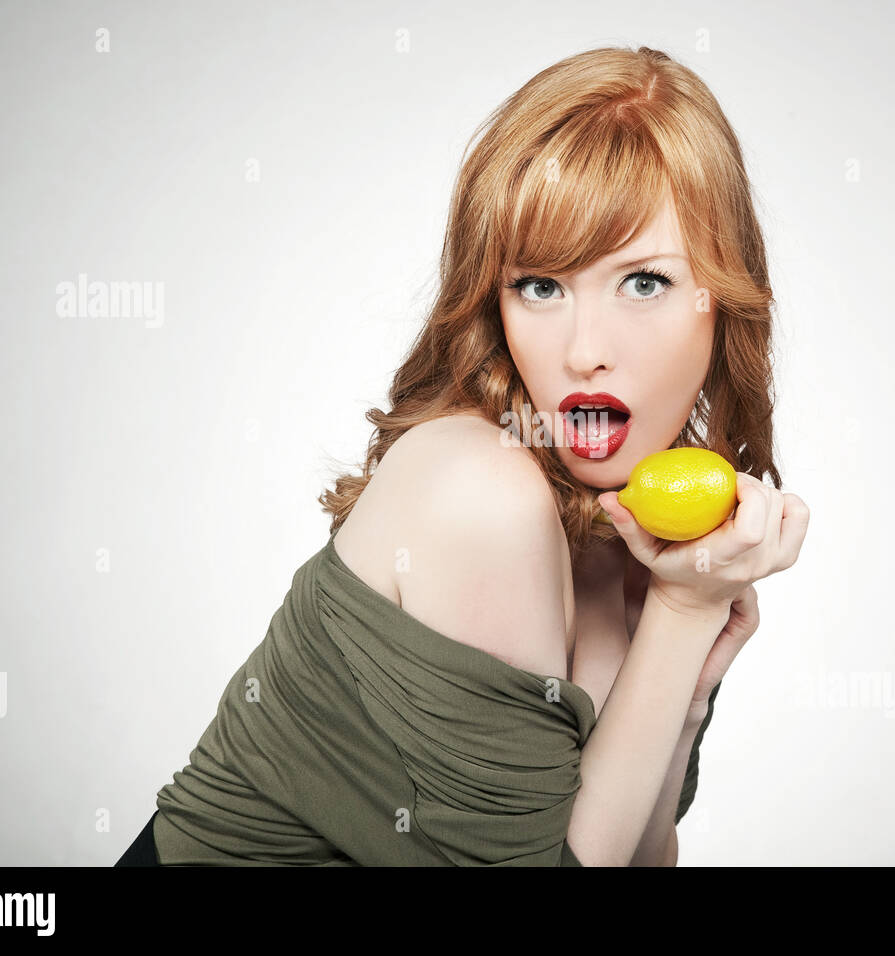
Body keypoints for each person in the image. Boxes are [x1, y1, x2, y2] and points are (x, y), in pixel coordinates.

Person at [117, 44, 808, 868]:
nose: (586, 351)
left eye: (644, 282)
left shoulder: (651, 542)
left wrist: (686, 690)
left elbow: (639, 859)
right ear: (495, 301)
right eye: (542, 286)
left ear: (722, 299)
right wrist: (683, 618)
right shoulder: (483, 492)